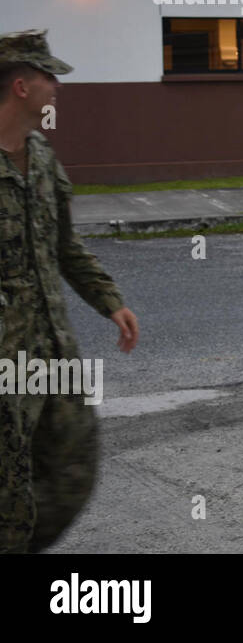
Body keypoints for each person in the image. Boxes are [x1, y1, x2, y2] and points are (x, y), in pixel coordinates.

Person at [0, 29, 141, 553]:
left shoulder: (40, 156)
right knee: (10, 493)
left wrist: (110, 301)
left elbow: (63, 245)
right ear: (20, 85)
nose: (56, 86)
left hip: (50, 353)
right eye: (47, 76)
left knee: (73, 465)